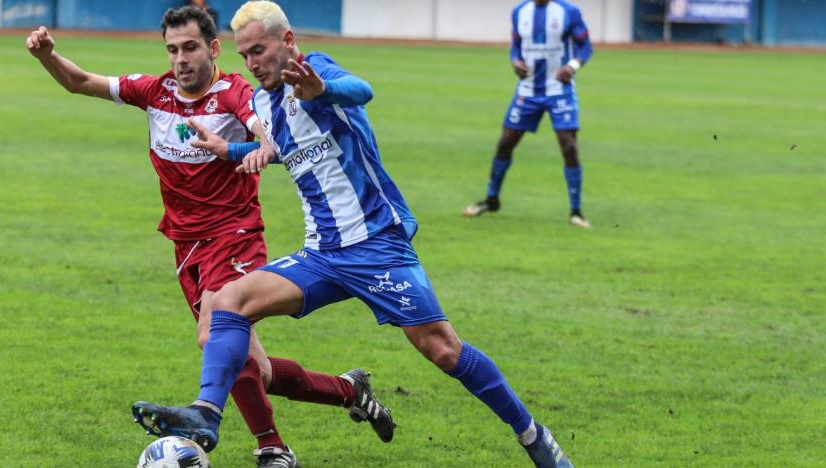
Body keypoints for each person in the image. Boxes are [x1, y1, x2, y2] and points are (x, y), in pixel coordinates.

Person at [131, 2, 573, 466]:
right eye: (245, 56)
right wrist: (232, 148)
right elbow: (285, 147)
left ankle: (532, 435)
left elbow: (362, 91)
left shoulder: (316, 70)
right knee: (226, 302)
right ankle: (206, 414)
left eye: (259, 50)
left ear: (286, 41)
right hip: (321, 254)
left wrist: (322, 88)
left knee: (443, 350)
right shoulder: (264, 100)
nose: (253, 63)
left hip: (377, 247)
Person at [24, 6, 394, 468]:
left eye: (191, 48)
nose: (181, 59)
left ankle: (272, 449)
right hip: (186, 245)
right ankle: (349, 391)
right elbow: (80, 81)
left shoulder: (235, 93)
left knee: (213, 332)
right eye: (173, 49)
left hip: (234, 234)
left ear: (214, 48)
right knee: (252, 367)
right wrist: (47, 56)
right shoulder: (154, 91)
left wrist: (262, 145)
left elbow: (264, 127)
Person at [464, 0, 594, 229]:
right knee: (505, 143)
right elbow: (516, 46)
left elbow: (585, 47)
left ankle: (576, 212)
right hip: (528, 89)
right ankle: (491, 199)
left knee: (569, 147)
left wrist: (572, 66)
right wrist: (515, 61)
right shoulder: (519, 12)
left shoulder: (569, 12)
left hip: (559, 89)